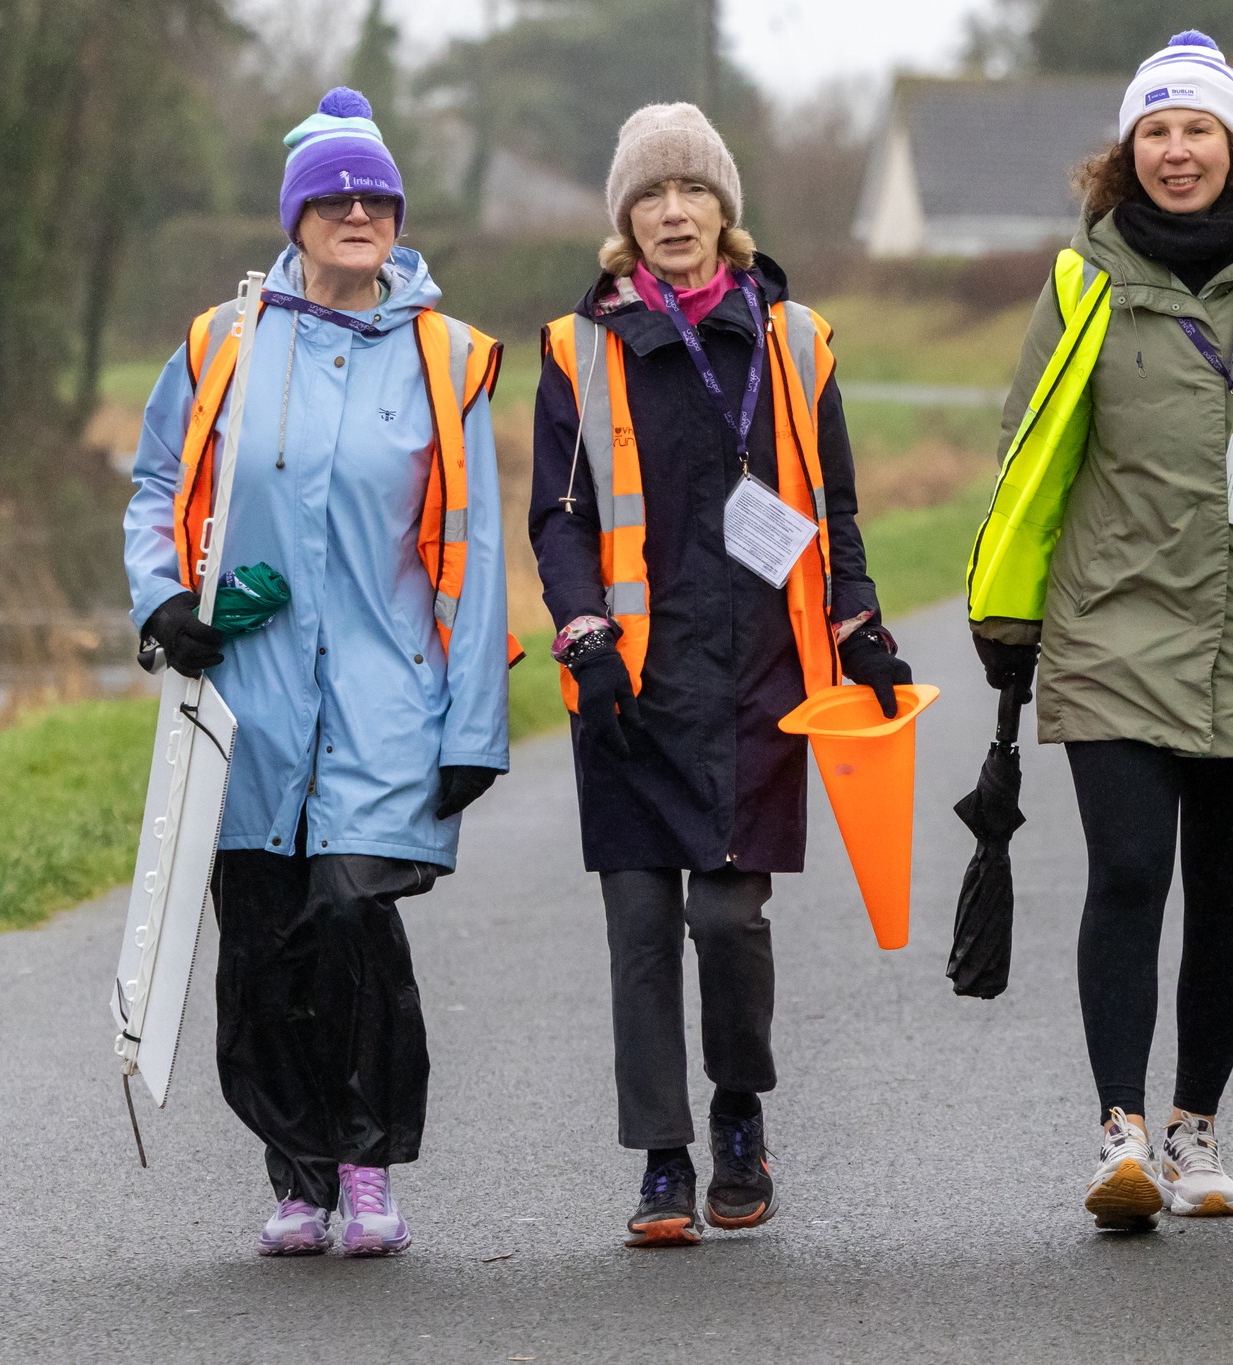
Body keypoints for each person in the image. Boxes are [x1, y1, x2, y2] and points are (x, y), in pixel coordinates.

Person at [966, 31, 1233, 1230]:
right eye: (1154, 132)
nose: (1176, 151)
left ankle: (1195, 1127)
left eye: (1196, 129)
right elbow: (1030, 449)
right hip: (1112, 618)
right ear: (1122, 154)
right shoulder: (1081, 278)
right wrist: (1007, 610)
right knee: (1130, 870)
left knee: (1228, 886)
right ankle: (1119, 1136)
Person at [122, 87, 513, 1258]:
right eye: (334, 197)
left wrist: (472, 729)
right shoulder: (222, 341)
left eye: (375, 196)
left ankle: (365, 1163)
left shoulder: (448, 359)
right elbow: (155, 490)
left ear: (396, 217)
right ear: (296, 218)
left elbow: (476, 549)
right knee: (259, 941)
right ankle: (295, 1175)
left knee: (348, 924)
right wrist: (165, 602)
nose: (357, 211)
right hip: (248, 703)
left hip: (388, 700)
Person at [530, 103, 910, 1249]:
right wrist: (582, 629)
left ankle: (738, 1113)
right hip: (630, 693)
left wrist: (859, 629)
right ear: (624, 221)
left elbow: (829, 512)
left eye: (691, 192)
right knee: (641, 928)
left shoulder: (796, 342)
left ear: (724, 212)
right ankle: (661, 1163)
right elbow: (559, 518)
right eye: (649, 196)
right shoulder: (575, 350)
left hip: (756, 681)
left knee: (729, 920)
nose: (672, 213)